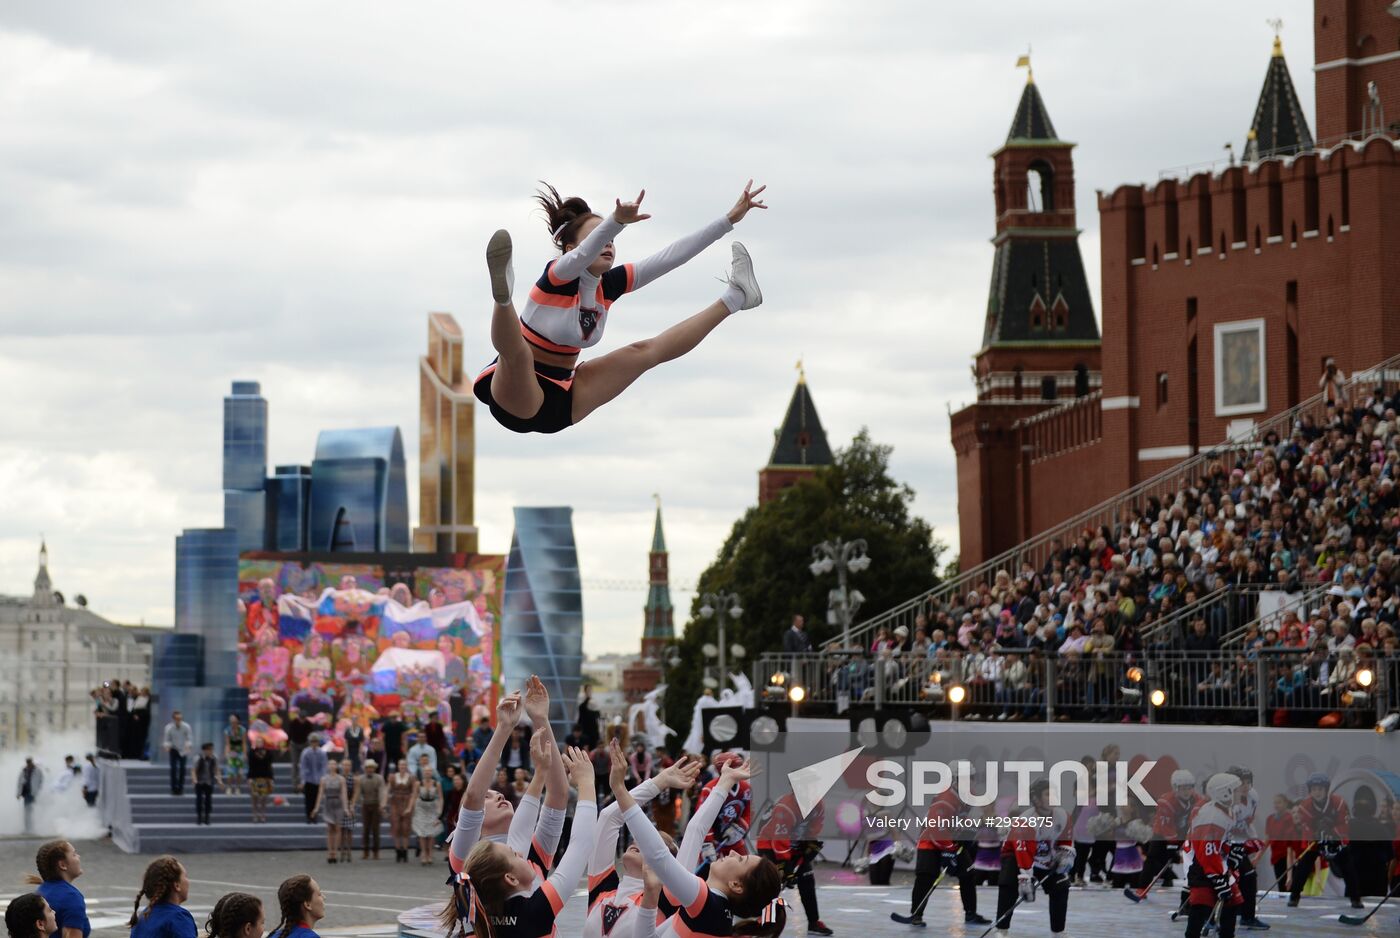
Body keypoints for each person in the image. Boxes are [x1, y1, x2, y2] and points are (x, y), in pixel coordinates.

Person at [473, 181, 766, 436]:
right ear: (570, 249)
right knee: (520, 356)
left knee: (645, 352)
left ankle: (736, 297)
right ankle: (503, 298)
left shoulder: (609, 284)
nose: (609, 244)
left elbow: (672, 256)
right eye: (600, 237)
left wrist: (729, 220)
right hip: (517, 396)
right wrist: (615, 220)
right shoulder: (557, 276)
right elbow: (584, 254)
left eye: (612, 239)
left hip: (566, 397)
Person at [610, 742, 785, 937]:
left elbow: (659, 855)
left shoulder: (707, 904)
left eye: (741, 859)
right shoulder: (712, 907)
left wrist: (620, 790)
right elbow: (695, 831)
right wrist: (726, 780)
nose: (734, 853)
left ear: (736, 885)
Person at [444, 746, 598, 938]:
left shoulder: (471, 905)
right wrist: (586, 783)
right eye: (514, 854)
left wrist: (540, 773)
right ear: (511, 878)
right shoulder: (531, 911)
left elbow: (521, 834)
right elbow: (580, 846)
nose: (519, 852)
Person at [889, 765, 990, 928]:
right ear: (955, 780)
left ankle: (970, 914)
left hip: (951, 840)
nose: (969, 782)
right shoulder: (946, 800)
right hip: (930, 842)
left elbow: (961, 821)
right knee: (926, 877)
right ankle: (916, 915)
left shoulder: (968, 797)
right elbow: (936, 829)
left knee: (968, 874)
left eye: (971, 778)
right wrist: (950, 851)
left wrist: (971, 829)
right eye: (964, 779)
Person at [994, 779, 1073, 937]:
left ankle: (1058, 932)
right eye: (1047, 794)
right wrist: (1025, 881)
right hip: (1015, 856)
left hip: (1045, 858)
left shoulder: (1063, 816)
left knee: (1061, 886)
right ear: (1036, 799)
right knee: (1008, 885)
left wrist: (1064, 856)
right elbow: (1024, 855)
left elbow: (1065, 841)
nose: (1053, 797)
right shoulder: (1026, 822)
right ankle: (1001, 929)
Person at [756, 790, 834, 934]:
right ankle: (761, 919)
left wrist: (809, 845)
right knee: (773, 882)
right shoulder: (785, 807)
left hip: (794, 844)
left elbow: (813, 829)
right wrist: (785, 867)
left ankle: (813, 922)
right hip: (769, 844)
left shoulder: (818, 804)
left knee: (807, 879)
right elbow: (778, 839)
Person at [1184, 774, 1244, 938]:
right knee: (1200, 908)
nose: (1241, 793)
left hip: (1218, 868)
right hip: (1205, 870)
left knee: (1230, 906)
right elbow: (1207, 851)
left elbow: (1222, 842)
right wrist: (1218, 879)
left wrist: (1232, 852)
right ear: (1225, 792)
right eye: (1237, 790)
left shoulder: (1227, 811)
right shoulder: (1212, 816)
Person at [1289, 772, 1359, 909]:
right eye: (1314, 789)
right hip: (1316, 842)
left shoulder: (1338, 802)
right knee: (1303, 867)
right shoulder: (1305, 806)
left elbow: (1345, 824)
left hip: (1336, 841)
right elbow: (1306, 827)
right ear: (1310, 791)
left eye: (1320, 789)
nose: (1317, 792)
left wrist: (1332, 831)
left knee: (1348, 867)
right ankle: (1294, 897)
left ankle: (1355, 898)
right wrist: (1316, 833)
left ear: (1326, 790)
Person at [27, 841, 88, 938]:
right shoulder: (72, 898)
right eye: (74, 854)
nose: (78, 856)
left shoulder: (41, 891)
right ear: (63, 865)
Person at [128, 856, 194, 938]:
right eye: (185, 876)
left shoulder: (143, 917)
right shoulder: (178, 917)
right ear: (177, 885)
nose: (188, 881)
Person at [312, 759, 350, 864]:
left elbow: (344, 793)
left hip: (338, 804)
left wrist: (346, 807)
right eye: (330, 764)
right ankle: (329, 852)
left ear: (336, 766)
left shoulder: (341, 779)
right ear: (328, 766)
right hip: (328, 803)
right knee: (329, 829)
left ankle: (335, 852)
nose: (332, 766)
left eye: (334, 764)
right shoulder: (324, 779)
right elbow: (320, 794)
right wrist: (316, 807)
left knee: (338, 828)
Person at [411, 755, 443, 866]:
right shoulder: (418, 783)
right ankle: (424, 853)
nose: (428, 773)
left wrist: (440, 810)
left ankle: (430, 853)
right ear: (423, 773)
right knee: (422, 833)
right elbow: (414, 796)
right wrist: (411, 809)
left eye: (429, 771)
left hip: (432, 808)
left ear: (432, 772)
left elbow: (440, 797)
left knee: (431, 833)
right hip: (421, 808)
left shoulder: (436, 784)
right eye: (426, 771)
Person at [353, 759, 384, 859]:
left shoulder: (379, 778)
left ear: (374, 768)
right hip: (365, 805)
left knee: (376, 829)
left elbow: (381, 791)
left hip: (376, 804)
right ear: (365, 769)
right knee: (365, 829)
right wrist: (360, 801)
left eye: (371, 767)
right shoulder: (360, 779)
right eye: (368, 767)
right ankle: (365, 850)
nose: (369, 769)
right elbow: (358, 792)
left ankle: (376, 851)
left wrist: (381, 804)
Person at [388, 759, 416, 862]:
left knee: (405, 827)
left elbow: (413, 793)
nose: (402, 766)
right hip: (395, 802)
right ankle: (398, 850)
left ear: (406, 766)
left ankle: (405, 850)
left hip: (406, 801)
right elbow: (388, 790)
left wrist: (410, 807)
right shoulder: (392, 777)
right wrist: (384, 803)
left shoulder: (411, 777)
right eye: (401, 765)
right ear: (398, 766)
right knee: (396, 826)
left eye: (404, 765)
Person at [161, 712, 193, 796]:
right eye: (177, 719)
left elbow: (189, 738)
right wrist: (166, 746)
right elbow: (166, 739)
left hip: (183, 749)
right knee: (173, 769)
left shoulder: (186, 726)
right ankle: (173, 788)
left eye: (180, 719)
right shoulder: (169, 727)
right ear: (174, 719)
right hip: (174, 749)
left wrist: (188, 746)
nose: (179, 720)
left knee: (182, 769)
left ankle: (180, 788)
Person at [299, 735, 328, 824]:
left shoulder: (322, 753)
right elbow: (303, 767)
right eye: (312, 742)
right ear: (310, 742)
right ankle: (308, 816)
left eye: (315, 741)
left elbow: (324, 766)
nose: (314, 743)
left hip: (319, 779)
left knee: (317, 799)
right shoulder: (306, 752)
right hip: (309, 779)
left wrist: (323, 779)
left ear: (318, 742)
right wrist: (303, 780)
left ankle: (314, 816)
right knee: (308, 799)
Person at [247, 738, 275, 823]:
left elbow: (269, 766)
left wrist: (271, 779)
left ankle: (263, 814)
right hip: (254, 777)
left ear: (263, 743)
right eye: (257, 741)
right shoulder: (251, 753)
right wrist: (249, 778)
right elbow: (250, 766)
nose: (259, 743)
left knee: (263, 797)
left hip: (265, 777)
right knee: (254, 797)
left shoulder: (268, 753)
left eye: (261, 742)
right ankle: (255, 814)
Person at [192, 743, 219, 826]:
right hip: (200, 782)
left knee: (208, 800)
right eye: (209, 749)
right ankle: (199, 817)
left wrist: (219, 780)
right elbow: (194, 770)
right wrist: (195, 780)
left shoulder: (214, 758)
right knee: (199, 800)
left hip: (209, 781)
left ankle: (207, 817)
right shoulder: (198, 758)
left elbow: (216, 769)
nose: (211, 751)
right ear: (205, 750)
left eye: (211, 749)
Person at [16, 758, 43, 835]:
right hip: (26, 794)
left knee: (33, 811)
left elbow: (41, 782)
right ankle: (27, 828)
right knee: (27, 812)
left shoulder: (37, 771)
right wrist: (18, 793)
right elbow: (20, 783)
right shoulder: (24, 771)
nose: (28, 764)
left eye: (29, 762)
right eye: (27, 763)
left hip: (34, 794)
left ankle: (33, 828)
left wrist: (38, 791)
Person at [222, 715, 247, 795]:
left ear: (238, 721)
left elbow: (244, 743)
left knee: (239, 772)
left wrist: (244, 754)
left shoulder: (242, 730)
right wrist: (226, 753)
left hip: (240, 751)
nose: (232, 723)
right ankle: (229, 787)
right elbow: (227, 744)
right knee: (230, 771)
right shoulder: (227, 730)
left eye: (234, 721)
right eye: (231, 721)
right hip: (232, 751)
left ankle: (238, 788)